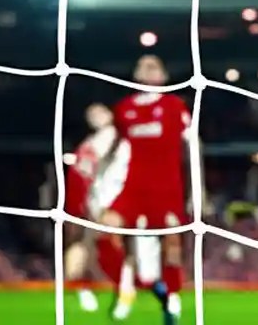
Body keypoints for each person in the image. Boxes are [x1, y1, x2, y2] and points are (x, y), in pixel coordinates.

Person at [98, 55, 193, 323]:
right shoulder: (124, 109)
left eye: (154, 65)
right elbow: (114, 146)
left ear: (163, 76)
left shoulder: (174, 106)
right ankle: (130, 286)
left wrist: (197, 190)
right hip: (133, 188)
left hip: (167, 190)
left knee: (172, 246)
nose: (147, 67)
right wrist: (101, 177)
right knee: (106, 231)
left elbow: (191, 147)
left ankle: (171, 297)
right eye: (142, 64)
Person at [62, 103, 118, 313]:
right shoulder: (92, 143)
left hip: (106, 202)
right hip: (89, 203)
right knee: (80, 245)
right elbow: (82, 174)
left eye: (99, 112)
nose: (95, 117)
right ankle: (79, 287)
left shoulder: (115, 138)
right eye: (91, 114)